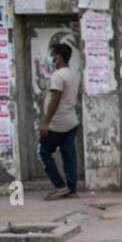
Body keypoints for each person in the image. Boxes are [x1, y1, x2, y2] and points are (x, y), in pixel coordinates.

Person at [38, 42, 81, 200]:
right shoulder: (72, 74)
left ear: (60, 57)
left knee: (42, 152)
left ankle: (60, 186)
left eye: (53, 56)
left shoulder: (58, 76)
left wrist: (46, 122)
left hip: (57, 124)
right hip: (71, 122)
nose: (51, 59)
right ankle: (71, 188)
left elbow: (55, 100)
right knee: (68, 155)